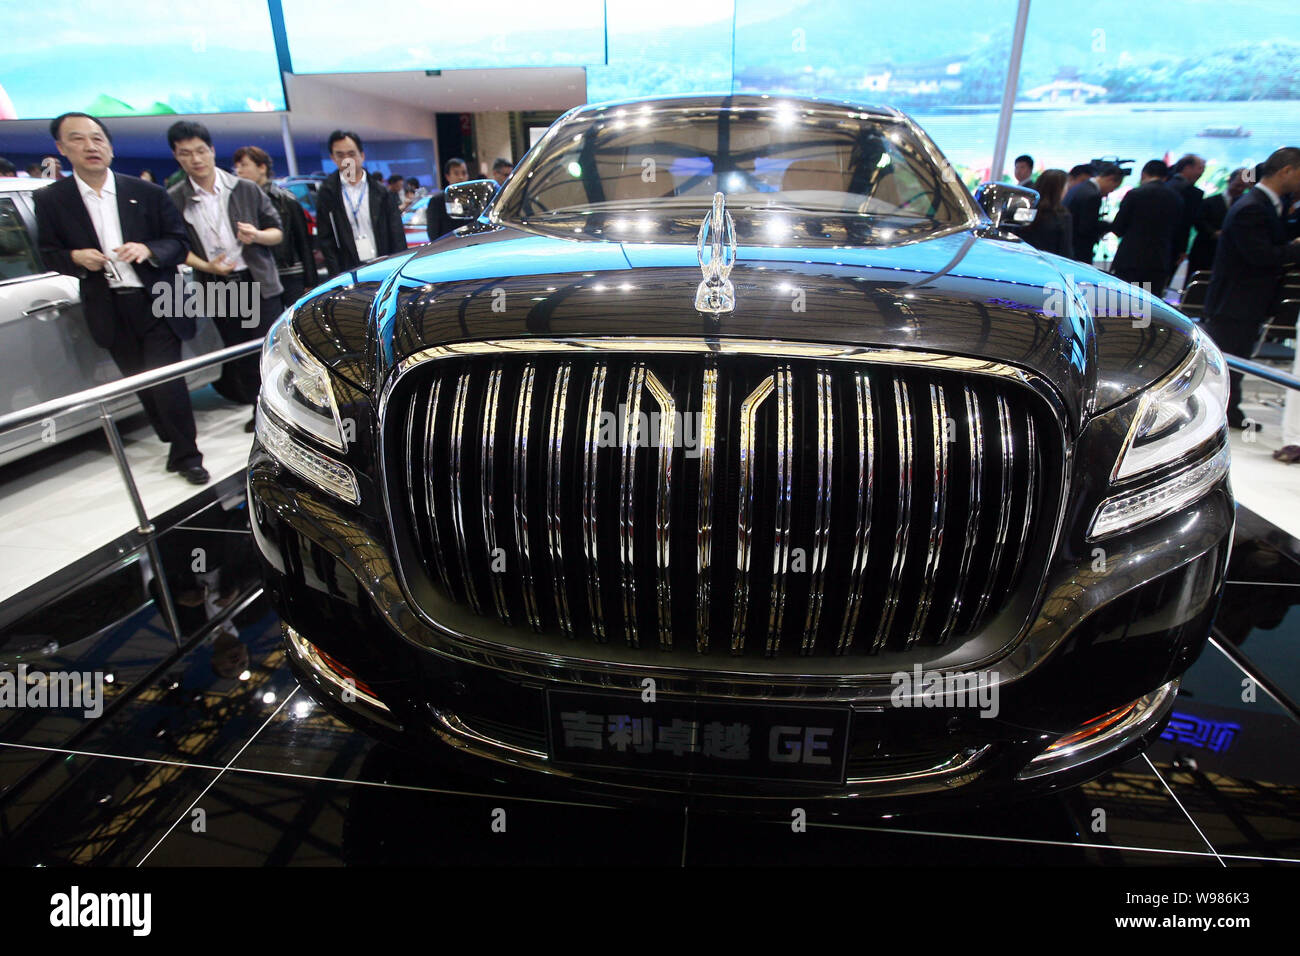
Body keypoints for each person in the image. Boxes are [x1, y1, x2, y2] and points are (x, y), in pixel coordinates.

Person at [33, 112, 207, 484]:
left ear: (110, 145)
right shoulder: (52, 200)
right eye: (78, 139)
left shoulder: (146, 193)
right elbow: (48, 253)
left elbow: (178, 243)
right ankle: (170, 437)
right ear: (62, 149)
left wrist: (147, 249)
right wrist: (76, 258)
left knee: (166, 379)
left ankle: (187, 454)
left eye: (97, 138)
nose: (90, 146)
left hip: (158, 300)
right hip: (108, 303)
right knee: (138, 379)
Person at [166, 120, 283, 431]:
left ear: (212, 151)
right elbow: (176, 246)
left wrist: (256, 235)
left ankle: (282, 412)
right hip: (217, 283)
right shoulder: (175, 198)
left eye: (201, 151)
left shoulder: (244, 189)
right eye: (186, 153)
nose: (196, 159)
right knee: (239, 353)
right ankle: (256, 410)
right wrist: (208, 267)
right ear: (177, 157)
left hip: (256, 280)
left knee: (268, 351)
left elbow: (277, 233)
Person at [1201, 147, 1300, 433]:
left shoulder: (1263, 204)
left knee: (1236, 358)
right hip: (1237, 301)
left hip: (1244, 301)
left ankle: (1229, 413)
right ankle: (1220, 416)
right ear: (1287, 171)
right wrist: (1294, 250)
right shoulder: (1253, 207)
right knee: (1229, 361)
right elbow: (1260, 255)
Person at [233, 145, 320, 305]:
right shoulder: (239, 201)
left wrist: (310, 280)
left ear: (262, 167)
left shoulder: (285, 200)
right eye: (237, 166)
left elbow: (303, 242)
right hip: (258, 275)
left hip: (289, 272)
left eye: (244, 165)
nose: (239, 171)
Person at [315, 130, 405, 276]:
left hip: (383, 266)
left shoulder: (381, 192)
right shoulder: (327, 193)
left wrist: (398, 270)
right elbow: (326, 241)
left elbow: (397, 236)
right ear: (332, 158)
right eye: (340, 155)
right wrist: (337, 276)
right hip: (348, 271)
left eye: (351, 154)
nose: (347, 160)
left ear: (362, 155)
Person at [1110, 159, 1184, 296]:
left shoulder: (1135, 194)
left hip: (1130, 260)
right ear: (1165, 177)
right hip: (1159, 261)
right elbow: (1179, 231)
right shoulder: (1176, 198)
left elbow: (1118, 228)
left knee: (1123, 306)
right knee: (1147, 309)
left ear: (1143, 174)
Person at [1188, 168, 1248, 274]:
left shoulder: (1246, 206)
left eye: (1244, 186)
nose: (1240, 189)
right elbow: (1198, 221)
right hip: (1204, 251)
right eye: (1238, 185)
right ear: (1229, 181)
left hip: (1228, 256)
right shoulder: (1210, 202)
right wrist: (1213, 233)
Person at [1064, 162, 1126, 265]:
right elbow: (1086, 228)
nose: (1110, 192)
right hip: (1079, 252)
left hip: (1069, 248)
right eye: (1113, 188)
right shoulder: (1093, 195)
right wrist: (1108, 225)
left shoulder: (1080, 187)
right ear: (1110, 179)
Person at [1017, 167, 1072, 257]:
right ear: (1059, 189)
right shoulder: (1061, 216)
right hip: (1048, 264)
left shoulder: (1024, 209)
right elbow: (1065, 251)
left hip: (1022, 259)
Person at [1166, 154, 1206, 273]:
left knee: (1140, 285)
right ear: (1187, 167)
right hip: (1172, 249)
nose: (1202, 173)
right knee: (1158, 286)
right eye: (1200, 168)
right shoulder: (1192, 193)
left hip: (1149, 248)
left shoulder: (1164, 185)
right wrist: (1182, 250)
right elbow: (1185, 223)